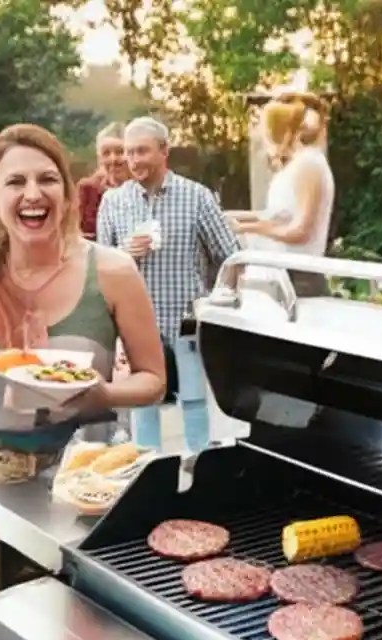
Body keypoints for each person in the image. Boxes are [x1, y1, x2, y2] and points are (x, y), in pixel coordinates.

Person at [0, 123, 165, 599]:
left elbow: (153, 380)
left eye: (47, 179)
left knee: (99, 634)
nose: (33, 194)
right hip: (1, 484)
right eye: (15, 182)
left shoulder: (113, 271)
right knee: (7, 631)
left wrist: (103, 394)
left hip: (97, 481)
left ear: (68, 191)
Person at [96, 117, 241, 453]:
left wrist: (218, 306)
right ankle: (146, 473)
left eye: (142, 151)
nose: (133, 161)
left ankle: (201, 468)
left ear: (164, 152)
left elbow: (231, 257)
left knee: (192, 400)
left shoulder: (197, 197)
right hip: (136, 326)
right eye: (129, 153)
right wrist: (124, 254)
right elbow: (100, 269)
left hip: (185, 319)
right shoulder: (113, 203)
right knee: (143, 405)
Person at [227, 91, 336, 297]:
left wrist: (246, 228)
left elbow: (300, 231)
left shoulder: (309, 164)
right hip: (278, 274)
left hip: (297, 278)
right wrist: (226, 217)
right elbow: (276, 215)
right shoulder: (296, 165)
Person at [77, 123, 130, 240]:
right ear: (99, 158)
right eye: (106, 153)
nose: (113, 159)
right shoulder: (87, 188)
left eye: (120, 152)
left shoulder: (142, 189)